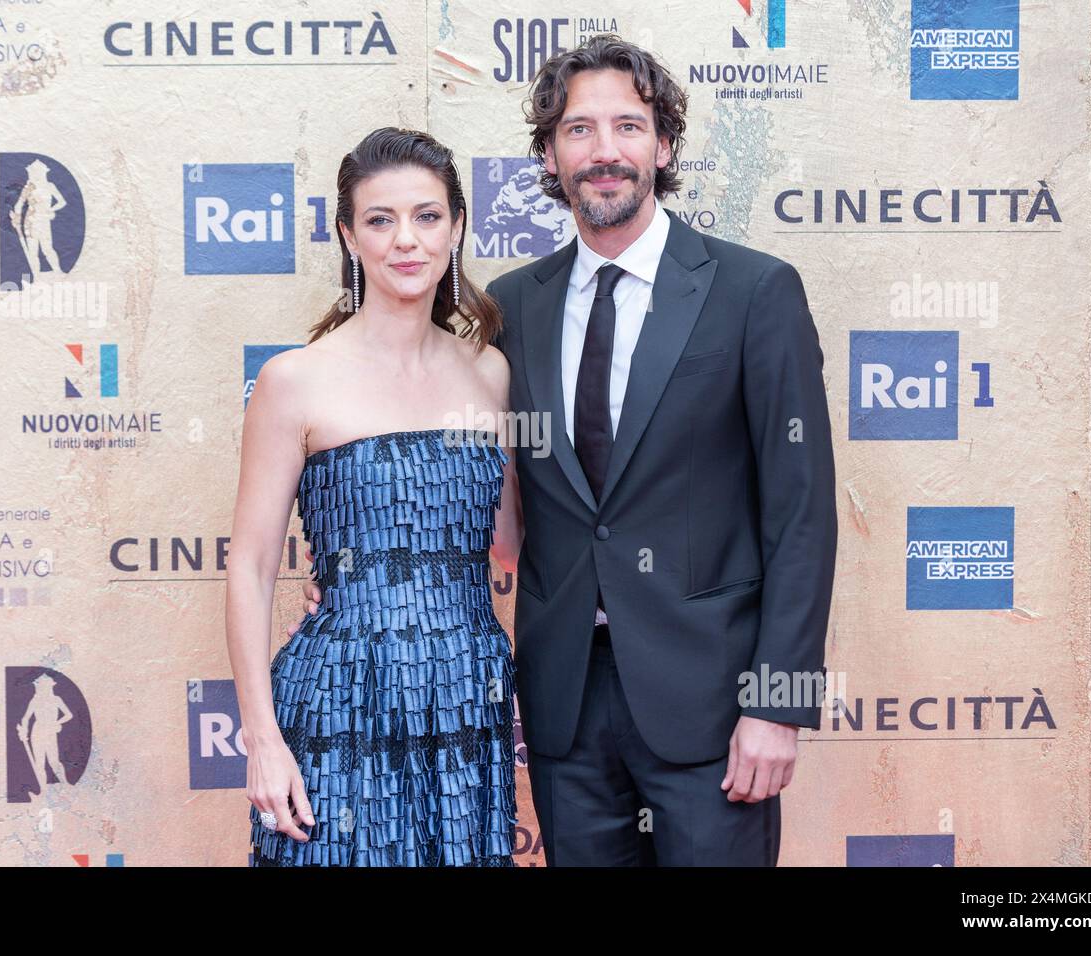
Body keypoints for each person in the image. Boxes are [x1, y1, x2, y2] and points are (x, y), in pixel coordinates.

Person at [297, 33, 838, 867]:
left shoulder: (754, 292)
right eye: (578, 130)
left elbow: (801, 516)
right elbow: (472, 478)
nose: (605, 150)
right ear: (549, 156)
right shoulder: (511, 310)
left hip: (715, 708)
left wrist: (779, 705)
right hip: (563, 706)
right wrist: (359, 565)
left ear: (664, 144)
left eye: (628, 125)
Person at [225, 127, 523, 866]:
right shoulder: (296, 379)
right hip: (339, 701)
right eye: (380, 220)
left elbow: (512, 543)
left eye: (427, 216)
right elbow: (253, 565)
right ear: (348, 237)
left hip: (465, 703)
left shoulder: (490, 375)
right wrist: (262, 742)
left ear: (456, 227)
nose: (406, 241)